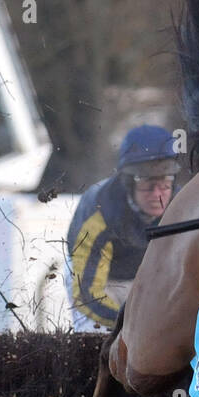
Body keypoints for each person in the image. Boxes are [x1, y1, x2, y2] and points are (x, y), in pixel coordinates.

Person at [67, 125, 180, 331]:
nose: (157, 195)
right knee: (97, 337)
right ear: (128, 182)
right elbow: (88, 293)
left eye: (165, 181)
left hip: (145, 280)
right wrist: (128, 323)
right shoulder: (99, 213)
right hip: (98, 282)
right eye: (147, 183)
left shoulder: (184, 206)